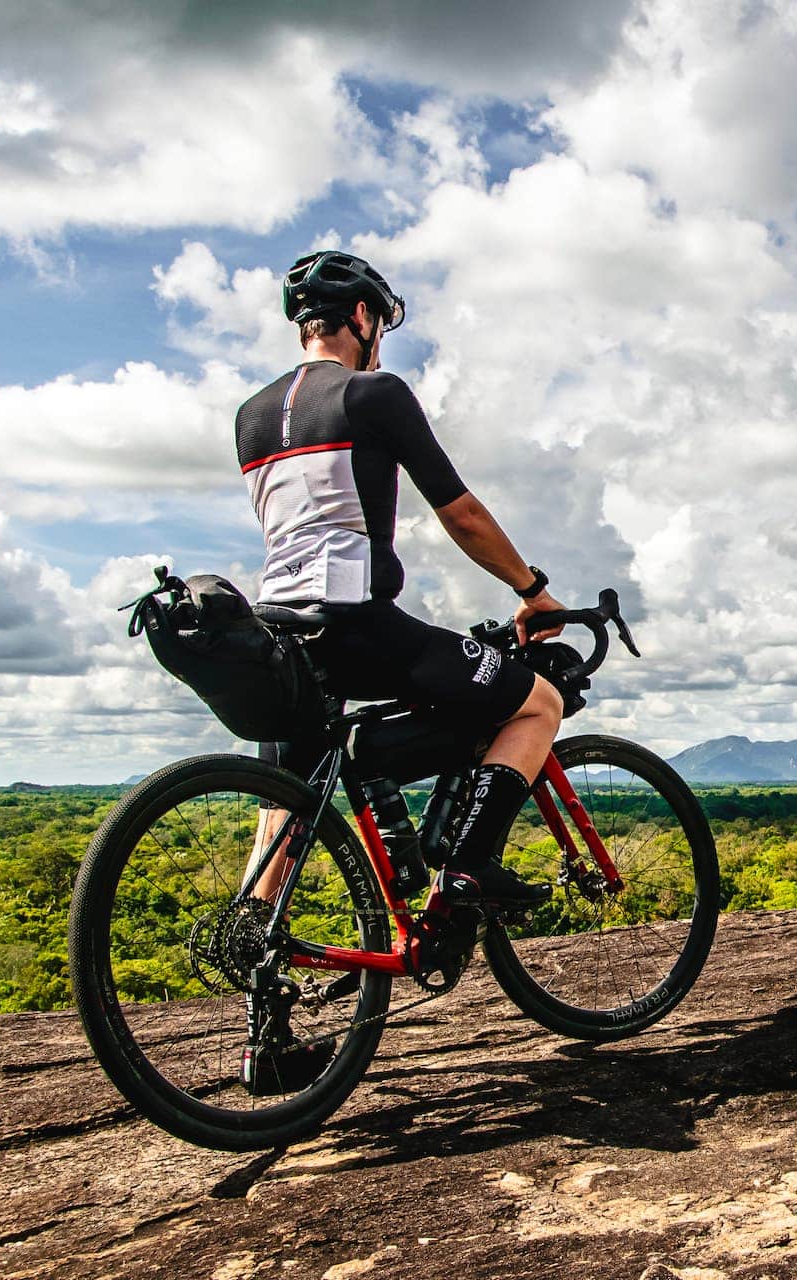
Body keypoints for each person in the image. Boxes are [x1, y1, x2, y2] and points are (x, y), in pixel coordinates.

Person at [235, 249, 564, 908]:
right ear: (360, 316)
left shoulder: (250, 416)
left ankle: (251, 948)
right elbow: (462, 514)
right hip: (358, 626)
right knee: (539, 703)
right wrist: (533, 591)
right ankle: (469, 866)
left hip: (280, 631)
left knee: (285, 805)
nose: (380, 341)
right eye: (381, 323)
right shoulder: (373, 395)